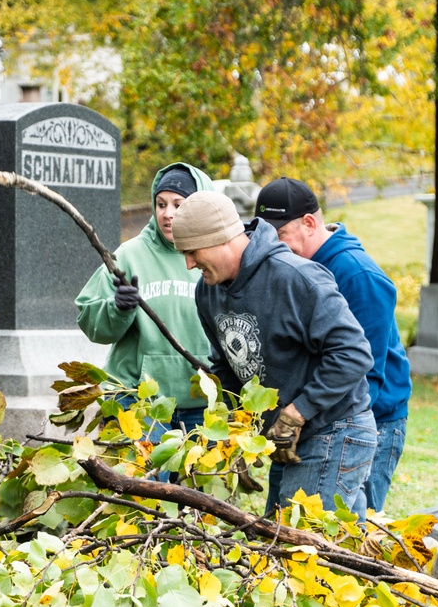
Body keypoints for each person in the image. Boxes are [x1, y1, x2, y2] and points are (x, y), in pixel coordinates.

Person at [171, 190, 376, 519]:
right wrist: (234, 430)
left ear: (222, 239)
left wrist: (296, 413)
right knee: (328, 549)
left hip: (335, 428)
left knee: (298, 548)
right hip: (283, 440)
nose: (189, 263)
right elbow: (226, 366)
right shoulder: (207, 292)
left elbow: (353, 353)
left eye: (192, 252)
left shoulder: (295, 278)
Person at [254, 177, 411, 512]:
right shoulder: (292, 268)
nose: (270, 246)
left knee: (350, 531)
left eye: (279, 235)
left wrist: (313, 420)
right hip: (314, 416)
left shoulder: (357, 275)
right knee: (284, 523)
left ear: (309, 223)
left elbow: (366, 370)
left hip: (371, 420)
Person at [76, 163, 214, 443]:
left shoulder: (216, 257)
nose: (168, 213)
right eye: (161, 204)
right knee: (141, 486)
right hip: (137, 400)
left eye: (178, 204)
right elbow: (90, 322)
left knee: (198, 487)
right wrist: (118, 309)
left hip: (202, 406)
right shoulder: (130, 255)